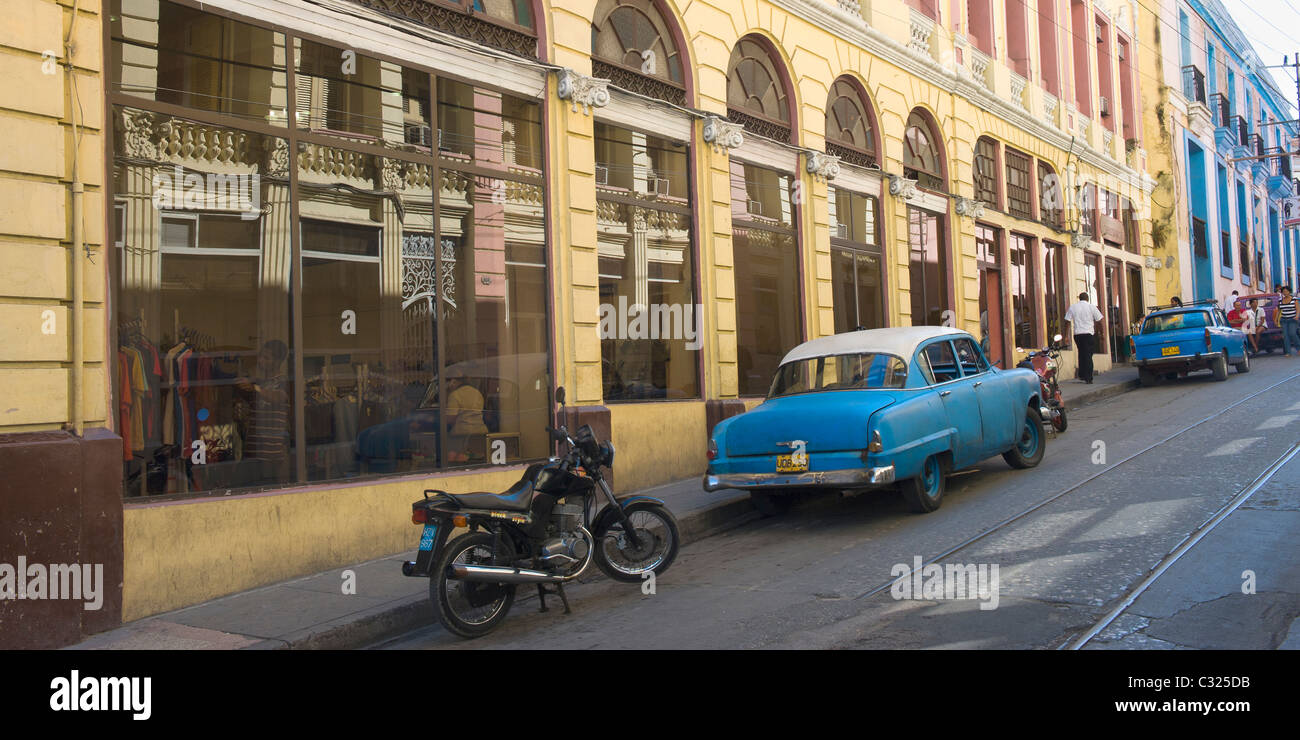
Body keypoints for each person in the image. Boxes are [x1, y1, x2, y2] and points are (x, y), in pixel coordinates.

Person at [444, 375, 488, 463]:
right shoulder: (477, 393)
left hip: (462, 435)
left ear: (453, 382)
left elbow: (450, 419)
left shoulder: (455, 395)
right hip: (480, 432)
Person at [1064, 292, 1103, 384]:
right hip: (1088, 334)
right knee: (1088, 355)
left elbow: (1067, 321)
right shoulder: (1092, 307)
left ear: (1079, 298)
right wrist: (1101, 333)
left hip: (1078, 335)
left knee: (1081, 353)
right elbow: (1099, 321)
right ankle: (1088, 377)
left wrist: (1066, 335)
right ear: (1087, 299)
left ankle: (1082, 374)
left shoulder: (1073, 307)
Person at [1274, 286, 1300, 357]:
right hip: (1284, 320)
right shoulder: (1280, 300)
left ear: (1289, 291)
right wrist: (1276, 320)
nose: (1285, 293)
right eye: (1284, 292)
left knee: (1292, 334)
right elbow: (1279, 311)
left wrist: (1297, 316)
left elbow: (1298, 309)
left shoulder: (1294, 299)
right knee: (1285, 336)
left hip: (1292, 319)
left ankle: (1298, 348)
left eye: (1286, 291)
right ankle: (1288, 352)